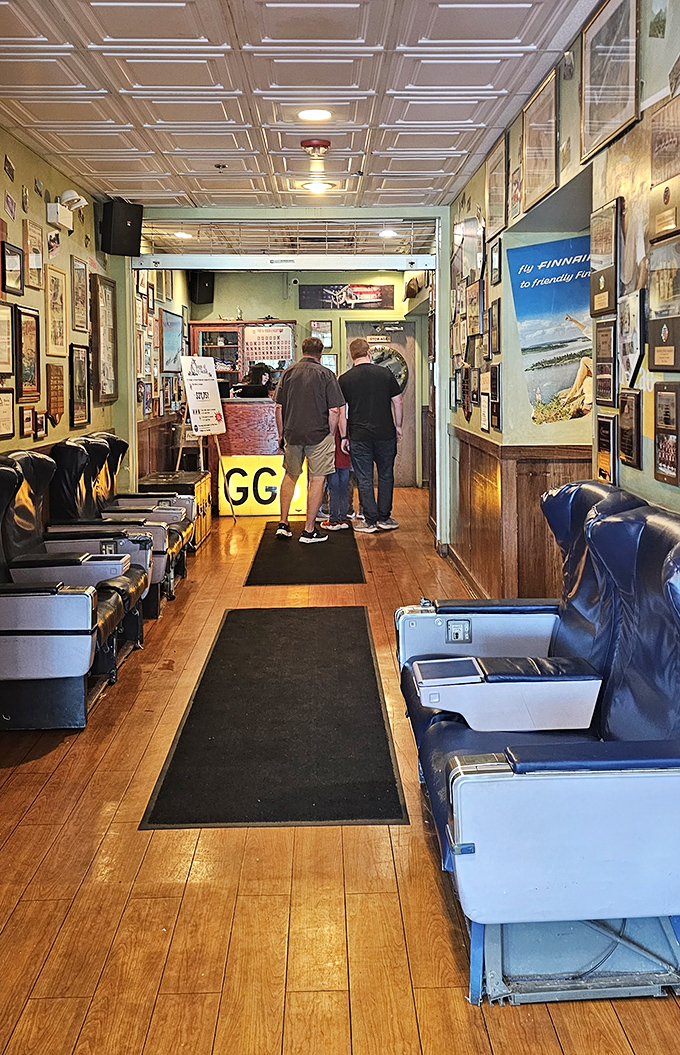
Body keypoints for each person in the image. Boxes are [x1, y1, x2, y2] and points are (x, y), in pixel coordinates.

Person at [275, 336, 346, 543]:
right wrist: (331, 433)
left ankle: (283, 523)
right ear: (320, 353)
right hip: (319, 434)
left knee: (290, 475)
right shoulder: (327, 374)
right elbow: (334, 410)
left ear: (302, 351)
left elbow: (278, 408)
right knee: (317, 479)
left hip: (292, 434)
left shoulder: (288, 373)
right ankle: (308, 531)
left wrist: (281, 434)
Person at [339, 338, 403, 533]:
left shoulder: (345, 379)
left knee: (364, 478)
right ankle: (385, 517)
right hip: (385, 433)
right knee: (386, 475)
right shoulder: (385, 373)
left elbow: (342, 411)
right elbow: (398, 402)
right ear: (369, 353)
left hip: (359, 435)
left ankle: (369, 520)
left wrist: (343, 436)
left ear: (352, 356)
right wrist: (398, 426)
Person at [320, 424, 352, 530]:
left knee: (333, 490)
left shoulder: (330, 422)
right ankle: (342, 518)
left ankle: (333, 520)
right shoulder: (347, 423)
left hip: (332, 460)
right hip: (346, 459)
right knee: (344, 490)